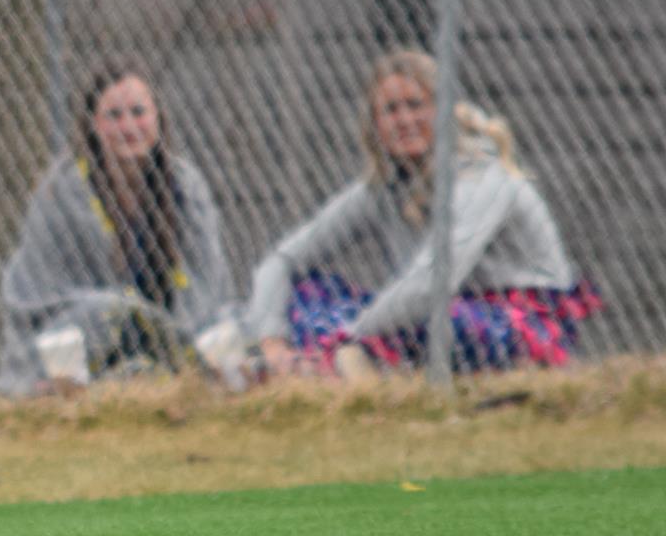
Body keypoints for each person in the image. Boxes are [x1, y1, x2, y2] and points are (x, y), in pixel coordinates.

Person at [248, 49, 597, 375]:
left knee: (432, 318)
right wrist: (272, 342)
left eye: (416, 105)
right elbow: (282, 260)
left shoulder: (483, 178)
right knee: (305, 294)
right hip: (418, 314)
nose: (405, 120)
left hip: (512, 319)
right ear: (375, 124)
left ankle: (339, 364)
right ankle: (315, 366)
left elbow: (430, 284)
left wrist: (346, 337)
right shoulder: (382, 188)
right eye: (391, 110)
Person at [0, 60, 234, 394]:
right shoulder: (61, 192)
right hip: (86, 339)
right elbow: (41, 297)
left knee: (231, 331)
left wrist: (178, 340)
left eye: (138, 112)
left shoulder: (187, 187)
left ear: (157, 118)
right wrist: (119, 312)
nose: (128, 126)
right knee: (100, 314)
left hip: (171, 341)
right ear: (94, 124)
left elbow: (206, 284)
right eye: (114, 115)